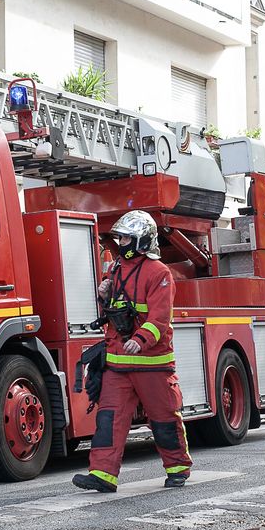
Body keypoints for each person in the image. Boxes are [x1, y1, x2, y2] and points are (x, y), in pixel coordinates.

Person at [73, 210, 191, 494]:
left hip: (153, 363)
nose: (120, 242)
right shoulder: (115, 269)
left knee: (164, 418)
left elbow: (160, 318)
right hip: (117, 362)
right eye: (120, 237)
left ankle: (177, 469)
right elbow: (113, 310)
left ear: (140, 240)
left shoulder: (160, 273)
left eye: (126, 237)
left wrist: (140, 339)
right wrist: (104, 294)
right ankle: (102, 475)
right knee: (108, 420)